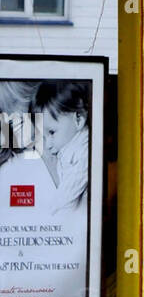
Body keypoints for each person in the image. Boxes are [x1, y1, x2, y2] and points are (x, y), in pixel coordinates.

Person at [35, 80, 90, 213]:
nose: (47, 145)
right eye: (43, 136)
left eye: (52, 132)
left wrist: (43, 213)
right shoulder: (68, 145)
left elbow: (64, 201)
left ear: (78, 120)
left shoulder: (85, 152)